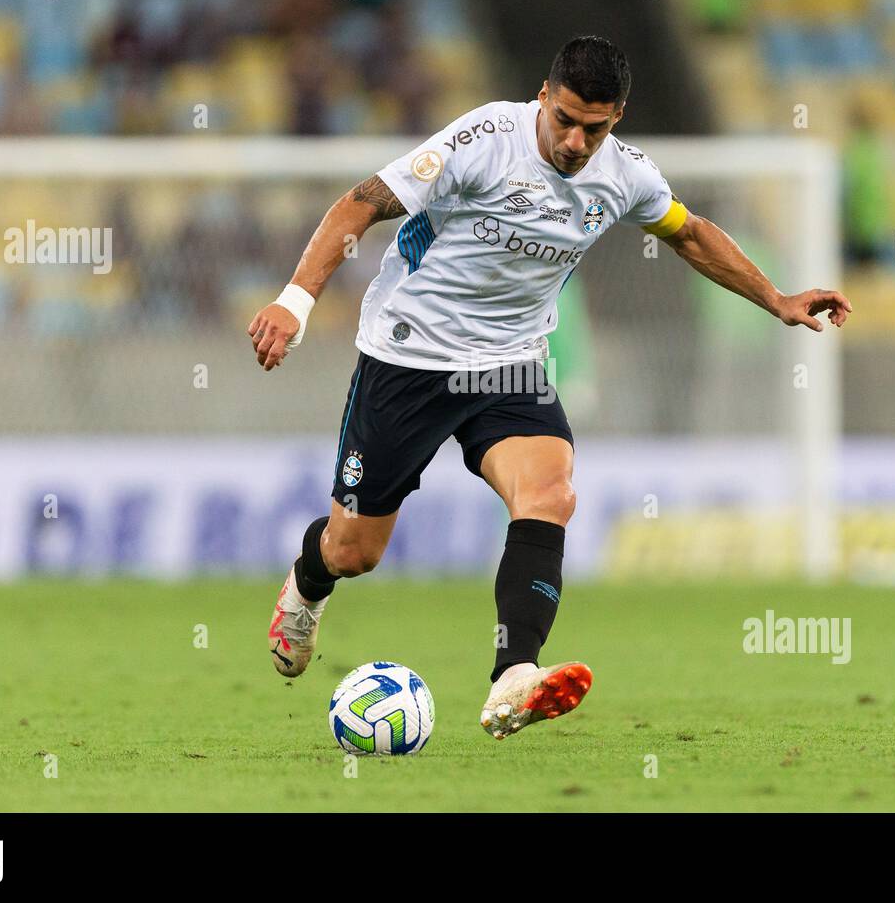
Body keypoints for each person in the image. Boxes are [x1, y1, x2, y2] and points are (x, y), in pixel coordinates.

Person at [247, 36, 851, 739]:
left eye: (594, 128)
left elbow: (689, 234)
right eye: (564, 119)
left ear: (616, 117)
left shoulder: (625, 176)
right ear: (542, 95)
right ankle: (307, 585)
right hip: (409, 355)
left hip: (508, 363)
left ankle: (514, 677)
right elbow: (359, 204)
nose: (574, 140)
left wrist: (775, 297)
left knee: (551, 493)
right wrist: (295, 301)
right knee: (355, 551)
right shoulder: (482, 141)